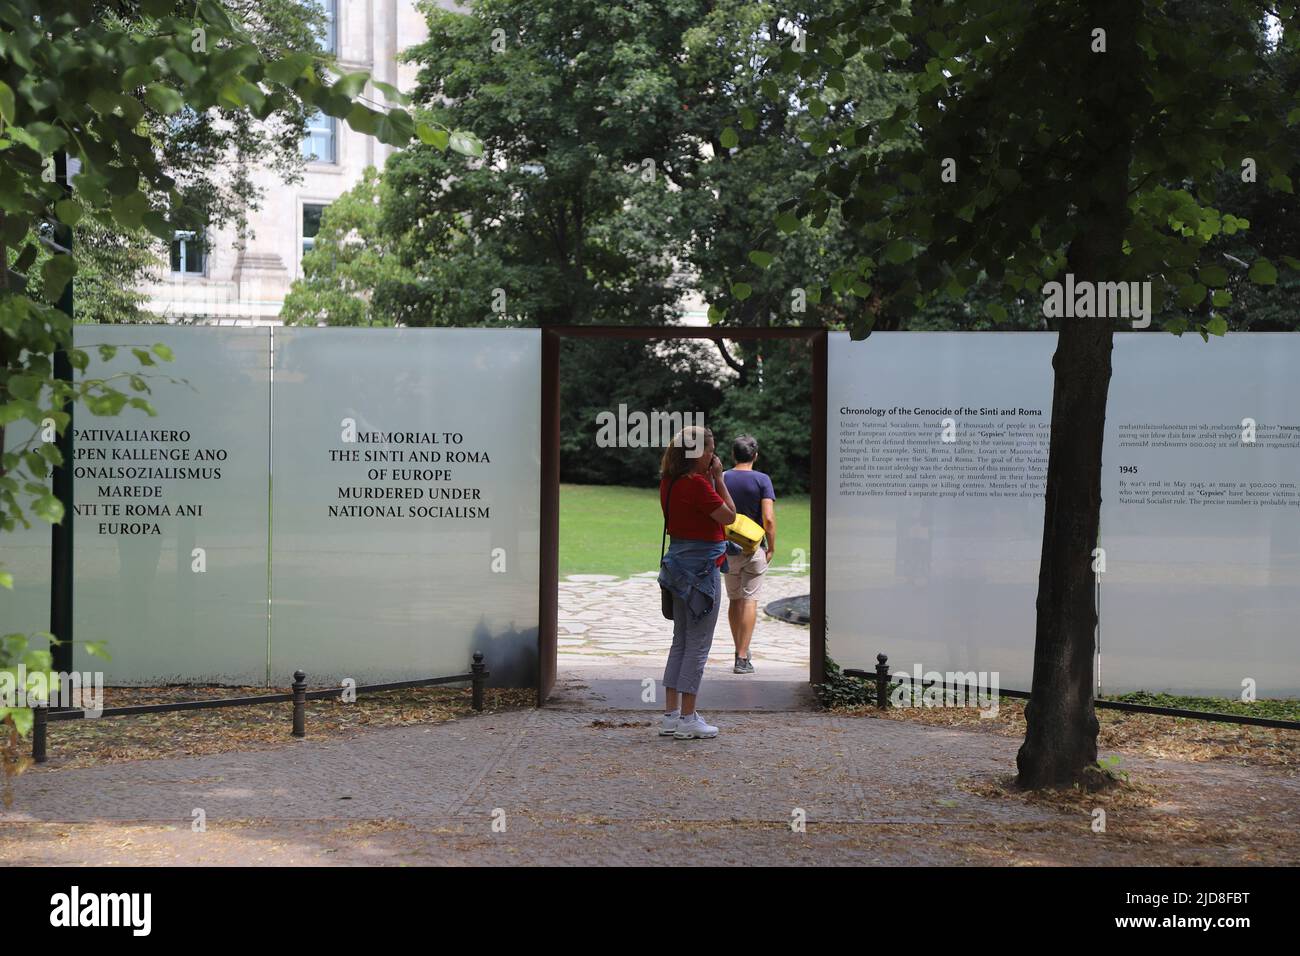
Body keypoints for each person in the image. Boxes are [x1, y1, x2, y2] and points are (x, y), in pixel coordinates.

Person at [657, 425, 736, 739]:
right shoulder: (698, 485)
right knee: (698, 645)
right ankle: (689, 719)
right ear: (697, 452)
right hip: (701, 571)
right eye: (710, 449)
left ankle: (671, 714)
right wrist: (719, 478)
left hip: (676, 569)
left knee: (681, 640)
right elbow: (730, 516)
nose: (713, 455)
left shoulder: (670, 482)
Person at [721, 435, 776, 674]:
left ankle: (737, 650)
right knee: (750, 600)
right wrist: (771, 546)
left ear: (734, 455)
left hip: (728, 548)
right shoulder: (762, 480)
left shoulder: (721, 478)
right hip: (754, 548)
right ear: (755, 456)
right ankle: (743, 657)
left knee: (734, 600)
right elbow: (769, 519)